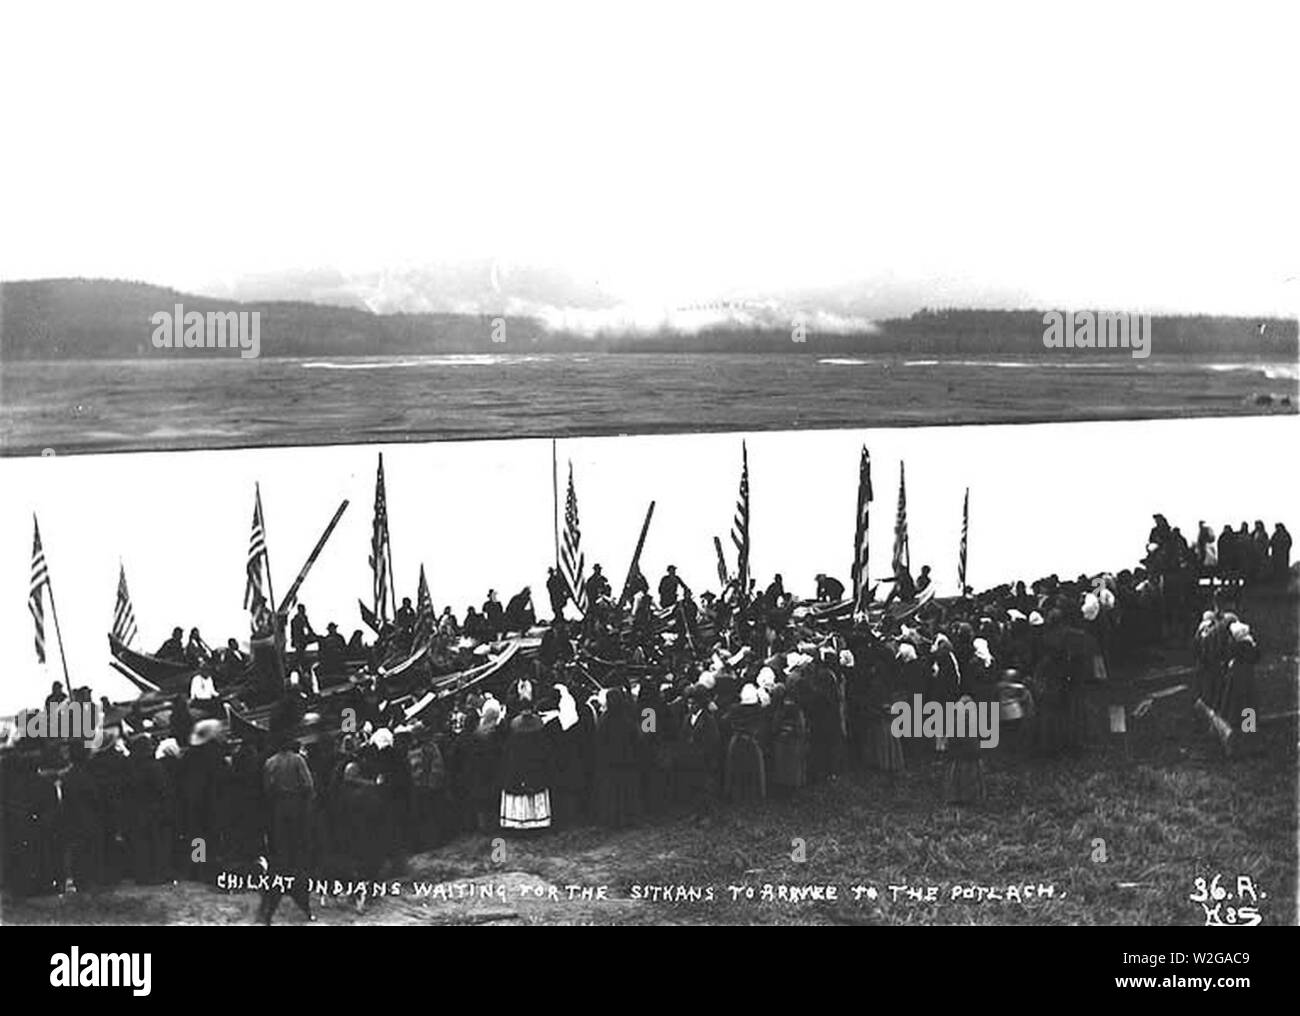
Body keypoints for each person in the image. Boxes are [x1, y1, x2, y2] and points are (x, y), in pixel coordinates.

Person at [257, 734, 315, 924]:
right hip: (296, 807)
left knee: (278, 851)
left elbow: (266, 788)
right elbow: (308, 784)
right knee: (296, 849)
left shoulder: (270, 762)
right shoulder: (298, 760)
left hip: (277, 809)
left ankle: (276, 885)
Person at [498, 700, 555, 833]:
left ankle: (521, 822)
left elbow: (509, 750)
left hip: (519, 765)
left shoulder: (514, 726)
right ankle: (538, 821)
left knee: (521, 795)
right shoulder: (538, 726)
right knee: (535, 791)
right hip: (536, 765)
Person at [593, 687, 642, 827]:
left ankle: (613, 818)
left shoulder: (604, 719)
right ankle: (628, 817)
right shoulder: (628, 717)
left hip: (610, 762)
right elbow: (637, 737)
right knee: (627, 790)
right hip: (627, 760)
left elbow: (599, 741)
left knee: (612, 792)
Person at [723, 683, 768, 803]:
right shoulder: (758, 710)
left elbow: (724, 721)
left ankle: (736, 795)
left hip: (736, 742)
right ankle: (753, 796)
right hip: (753, 743)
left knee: (736, 770)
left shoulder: (734, 709)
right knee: (753, 770)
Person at [290, 605, 316, 673]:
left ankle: (301, 665)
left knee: (301, 652)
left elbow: (308, 626)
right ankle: (297, 666)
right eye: (302, 609)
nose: (304, 611)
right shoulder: (295, 620)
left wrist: (313, 634)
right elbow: (294, 632)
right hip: (298, 639)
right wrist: (294, 641)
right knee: (299, 653)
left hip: (303, 638)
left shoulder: (304, 617)